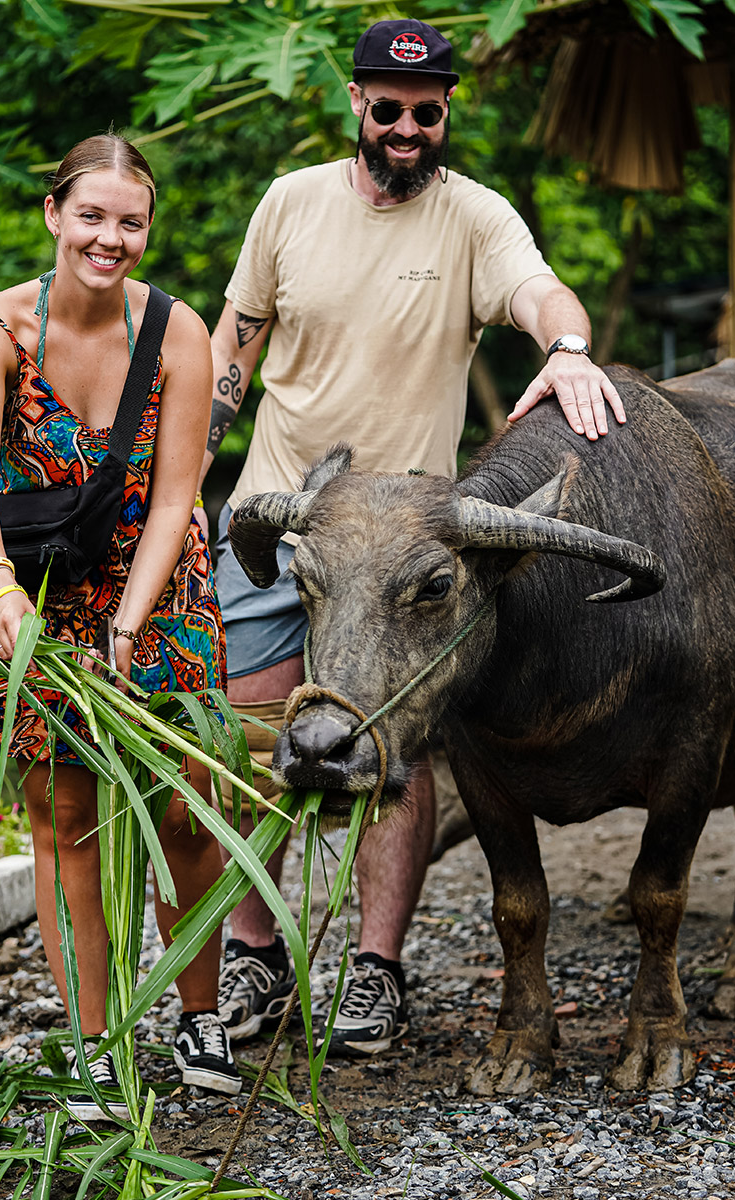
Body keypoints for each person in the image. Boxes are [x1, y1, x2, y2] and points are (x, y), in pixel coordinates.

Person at [201, 20, 626, 1057]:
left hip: (411, 540)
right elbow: (236, 341)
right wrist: (185, 454)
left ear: (443, 113)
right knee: (253, 735)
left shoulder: (475, 217)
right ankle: (256, 955)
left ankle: (377, 972)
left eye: (424, 110)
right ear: (356, 104)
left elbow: (538, 290)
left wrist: (567, 347)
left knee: (396, 741)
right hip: (283, 512)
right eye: (385, 108)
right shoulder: (290, 201)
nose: (404, 126)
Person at [0, 133, 242, 1114]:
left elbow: (174, 498)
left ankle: (197, 1013)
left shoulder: (181, 332)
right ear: (52, 215)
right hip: (33, 600)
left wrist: (127, 625)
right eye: (92, 216)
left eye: (130, 222)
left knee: (179, 807)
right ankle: (91, 1042)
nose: (109, 238)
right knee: (64, 820)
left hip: (157, 591)